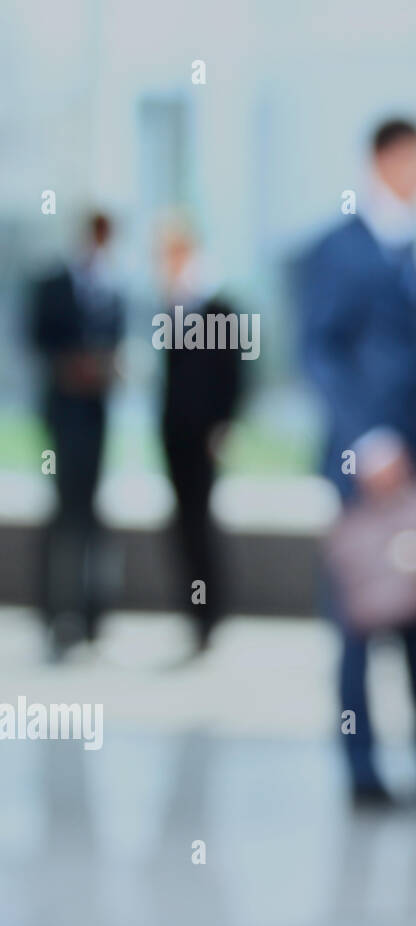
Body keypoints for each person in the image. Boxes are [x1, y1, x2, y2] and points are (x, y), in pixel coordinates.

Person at [299, 118, 416, 807]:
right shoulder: (336, 249)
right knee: (360, 614)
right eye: (413, 161)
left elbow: (414, 354)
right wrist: (369, 439)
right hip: (363, 463)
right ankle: (362, 768)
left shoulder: (408, 246)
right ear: (382, 160)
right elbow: (320, 351)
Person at [30, 212, 125, 661]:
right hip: (63, 414)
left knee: (89, 513)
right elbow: (36, 340)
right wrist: (70, 366)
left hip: (95, 415)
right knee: (63, 513)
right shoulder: (52, 284)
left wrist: (107, 369)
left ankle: (90, 616)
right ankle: (55, 613)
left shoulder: (113, 290)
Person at [154, 215, 243, 654]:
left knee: (200, 522)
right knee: (184, 522)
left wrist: (224, 423)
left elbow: (233, 371)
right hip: (175, 432)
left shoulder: (216, 304)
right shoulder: (172, 304)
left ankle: (208, 612)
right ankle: (194, 612)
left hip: (204, 432)